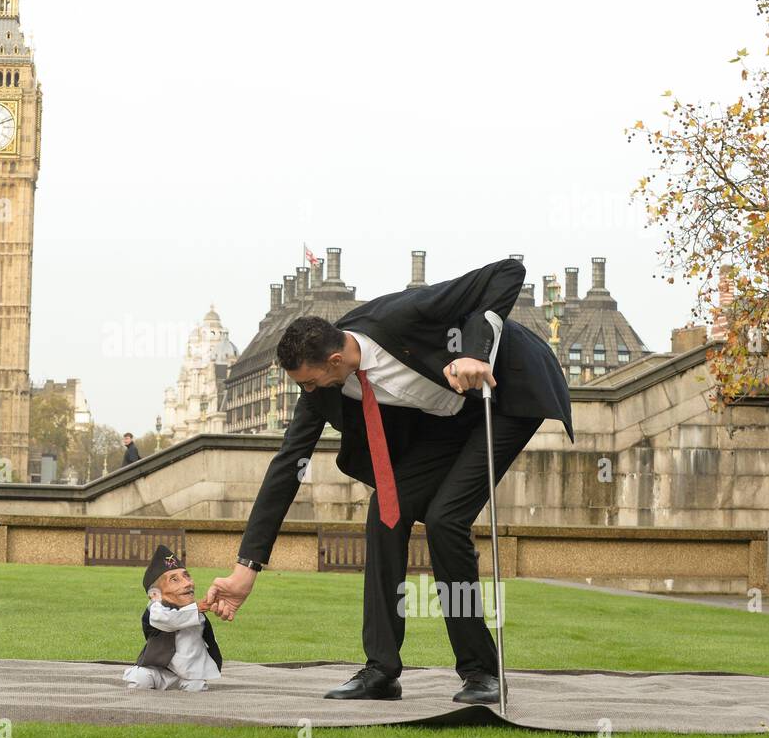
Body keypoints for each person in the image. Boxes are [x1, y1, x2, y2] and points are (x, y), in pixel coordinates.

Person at [205, 257, 573, 704]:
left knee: (445, 520)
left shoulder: (401, 315)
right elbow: (287, 465)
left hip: (509, 393)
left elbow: (507, 273)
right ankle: (381, 670)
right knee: (386, 513)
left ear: (336, 359)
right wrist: (247, 568)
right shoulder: (323, 389)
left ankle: (481, 673)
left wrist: (473, 352)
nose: (308, 391)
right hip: (451, 420)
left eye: (310, 381)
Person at [122, 545, 223, 692]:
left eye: (186, 576)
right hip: (157, 669)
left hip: (188, 674)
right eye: (174, 580)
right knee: (140, 679)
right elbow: (169, 620)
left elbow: (210, 641)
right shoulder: (156, 611)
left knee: (197, 687)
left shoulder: (198, 616)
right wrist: (197, 608)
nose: (188, 583)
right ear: (155, 594)